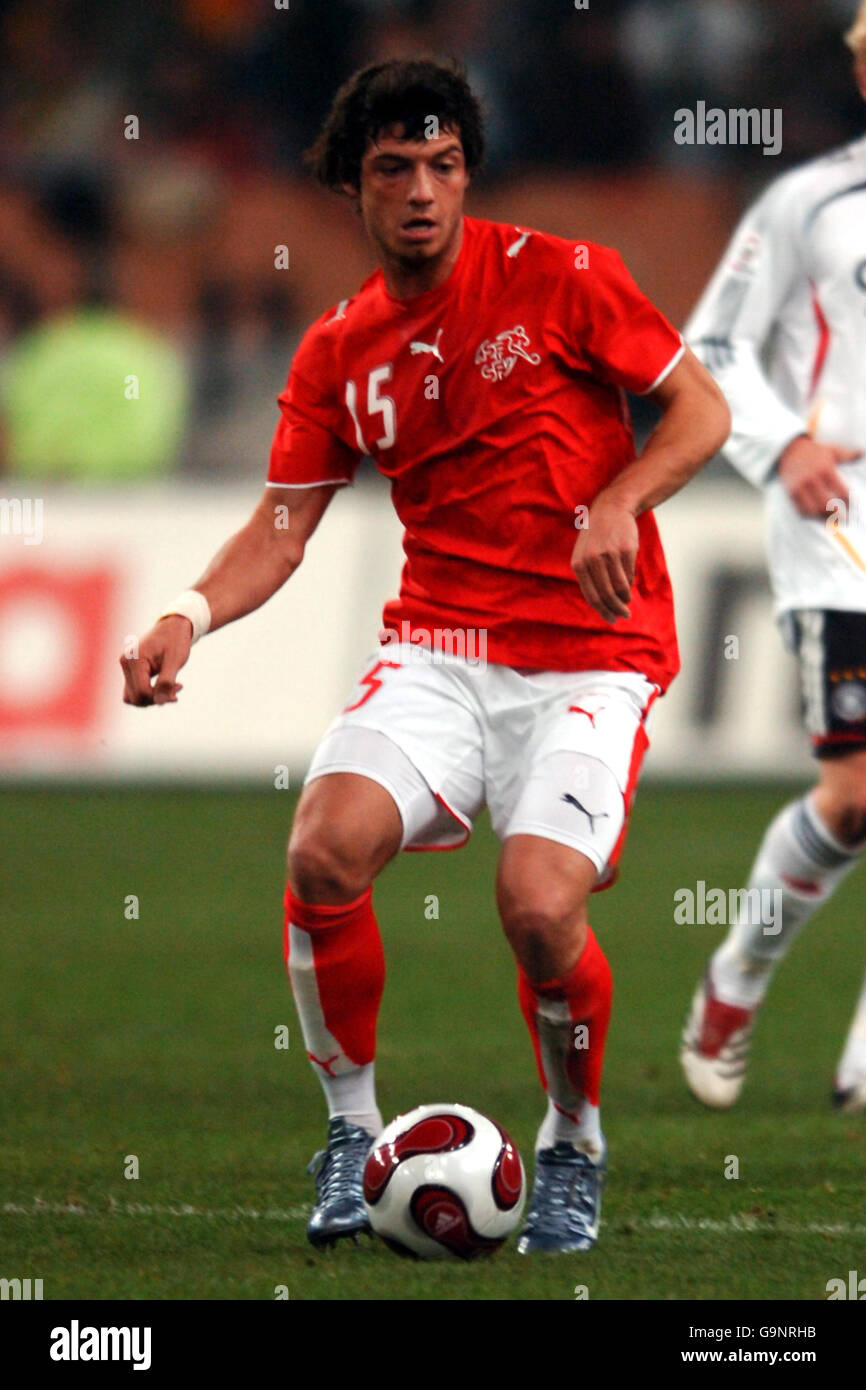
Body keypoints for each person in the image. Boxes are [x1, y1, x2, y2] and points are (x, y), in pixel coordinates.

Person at [121, 58, 729, 1252]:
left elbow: (700, 412)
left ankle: (571, 1141)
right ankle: (351, 1132)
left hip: (590, 657)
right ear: (353, 186)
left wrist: (617, 500)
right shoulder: (341, 349)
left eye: (441, 165)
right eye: (393, 167)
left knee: (538, 910)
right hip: (439, 652)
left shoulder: (563, 277)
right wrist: (185, 613)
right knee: (322, 848)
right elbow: (284, 526)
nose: (420, 189)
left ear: (465, 177)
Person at [680, 4, 866, 1113]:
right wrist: (780, 442)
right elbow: (706, 345)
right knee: (849, 799)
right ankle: (733, 976)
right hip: (838, 513)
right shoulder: (808, 203)